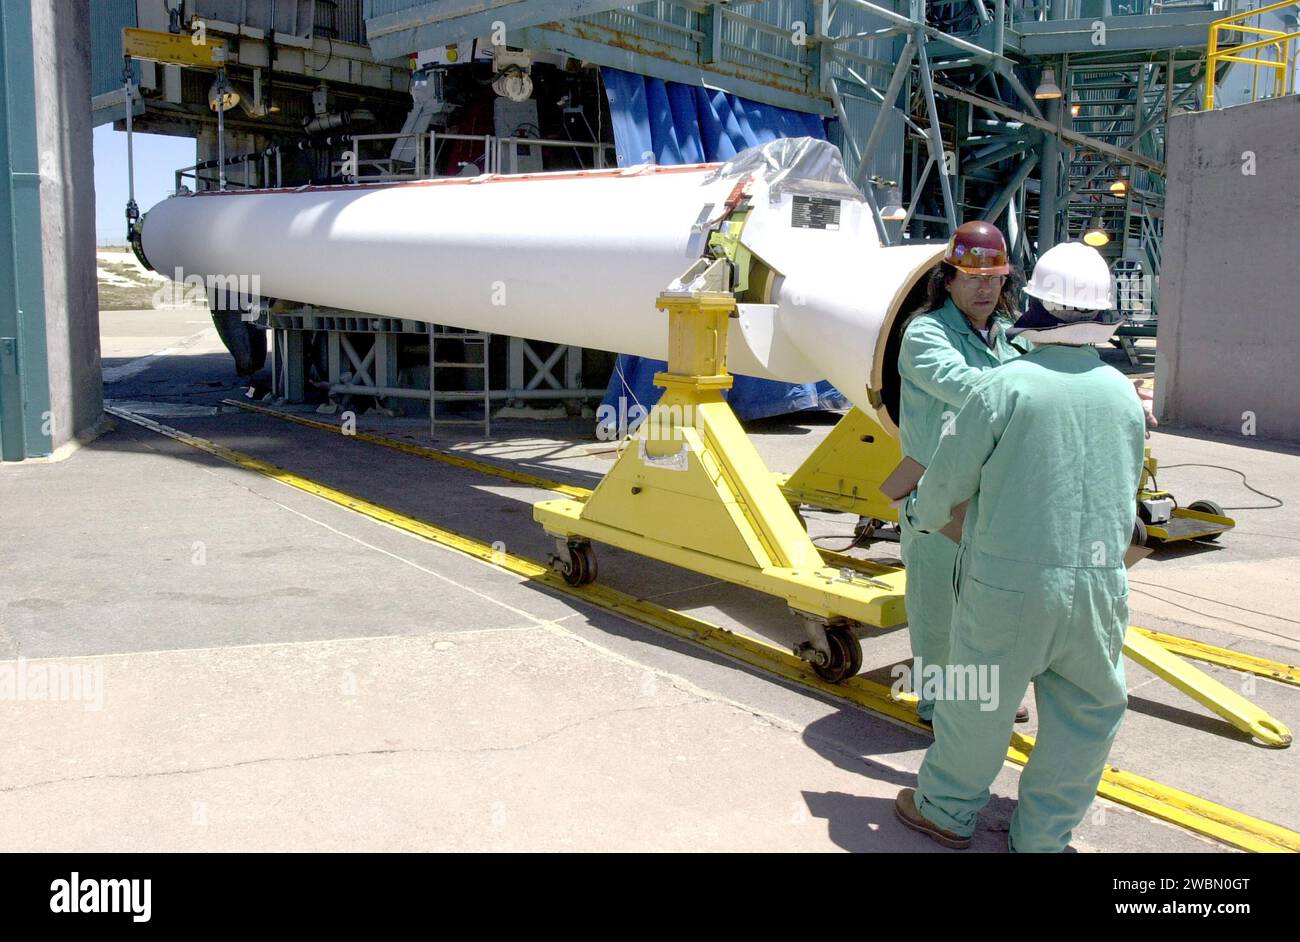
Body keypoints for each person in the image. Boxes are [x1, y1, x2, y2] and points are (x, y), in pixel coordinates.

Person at [893, 241, 1146, 852]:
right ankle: (1042, 838)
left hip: (1006, 584)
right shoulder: (1124, 396)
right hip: (1097, 585)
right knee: (1087, 714)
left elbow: (948, 479)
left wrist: (921, 513)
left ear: (1033, 302)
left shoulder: (1005, 386)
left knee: (975, 700)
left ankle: (947, 810)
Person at [896, 220, 1027, 725]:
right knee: (937, 608)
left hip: (990, 492)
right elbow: (966, 385)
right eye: (972, 276)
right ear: (948, 279)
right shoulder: (925, 334)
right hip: (934, 492)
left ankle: (986, 697)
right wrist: (1037, 392)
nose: (984, 287)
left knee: (989, 605)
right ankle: (936, 703)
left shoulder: (1011, 337)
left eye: (994, 277)